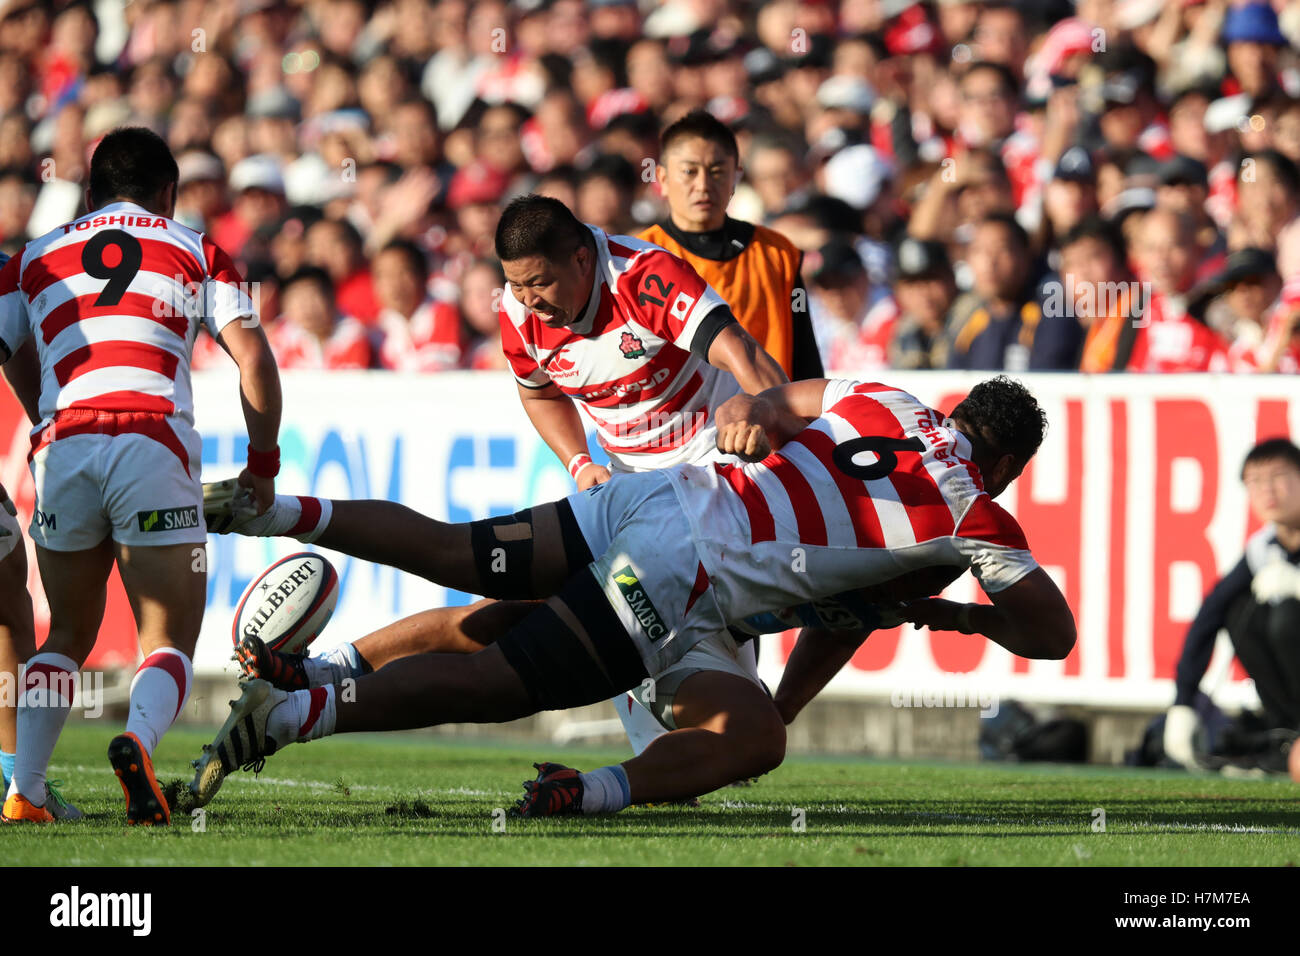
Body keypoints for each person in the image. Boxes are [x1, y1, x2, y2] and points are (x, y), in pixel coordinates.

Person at [192, 375, 1075, 815]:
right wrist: (963, 615)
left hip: (663, 494)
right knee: (500, 683)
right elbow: (1053, 635)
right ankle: (286, 716)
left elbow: (777, 404)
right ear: (1004, 467)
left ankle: (281, 509)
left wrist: (756, 415)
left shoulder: (883, 393)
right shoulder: (973, 515)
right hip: (687, 577)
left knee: (459, 555)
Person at [0, 127, 282, 825]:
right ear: (168, 193)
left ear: (89, 192)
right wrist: (262, 465)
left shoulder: (32, 258)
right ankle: (139, 741)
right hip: (150, 442)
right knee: (168, 633)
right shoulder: (195, 247)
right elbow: (255, 359)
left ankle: (25, 794)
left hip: (64, 446)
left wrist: (43, 416)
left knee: (65, 631)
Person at [1165, 438, 1300, 771]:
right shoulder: (1263, 547)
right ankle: (1285, 732)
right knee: (1238, 610)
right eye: (1255, 481)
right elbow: (1209, 614)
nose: (1267, 490)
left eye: (1279, 476)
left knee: (1285, 615)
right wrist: (1184, 702)